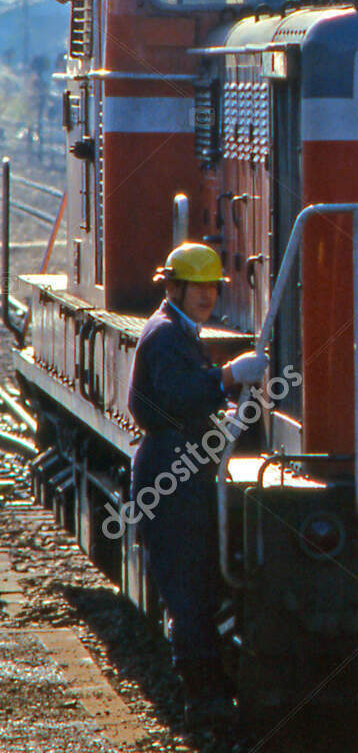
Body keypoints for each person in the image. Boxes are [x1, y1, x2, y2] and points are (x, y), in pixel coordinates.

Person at [127, 242, 267, 726]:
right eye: (197, 287)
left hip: (179, 467)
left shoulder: (179, 331)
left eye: (211, 287)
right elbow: (175, 396)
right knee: (187, 587)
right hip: (170, 475)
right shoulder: (166, 335)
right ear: (174, 287)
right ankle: (204, 703)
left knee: (197, 583)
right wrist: (227, 376)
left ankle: (208, 691)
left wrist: (217, 413)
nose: (206, 296)